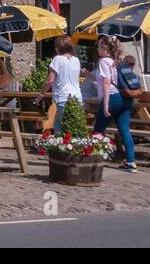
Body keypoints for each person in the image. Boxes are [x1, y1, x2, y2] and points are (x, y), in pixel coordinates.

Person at [91, 34, 136, 171]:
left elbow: (106, 82)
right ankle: (130, 162)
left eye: (99, 45)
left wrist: (105, 104)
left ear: (104, 48)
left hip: (112, 97)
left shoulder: (103, 61)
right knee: (124, 130)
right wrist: (88, 74)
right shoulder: (116, 61)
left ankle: (94, 158)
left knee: (98, 129)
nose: (97, 48)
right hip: (125, 98)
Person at [43, 36, 82, 134]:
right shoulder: (76, 60)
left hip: (63, 97)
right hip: (77, 97)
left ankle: (64, 147)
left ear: (57, 48)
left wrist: (41, 94)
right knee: (60, 125)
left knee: (66, 128)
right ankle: (56, 146)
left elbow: (50, 81)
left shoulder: (57, 59)